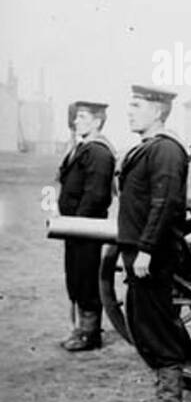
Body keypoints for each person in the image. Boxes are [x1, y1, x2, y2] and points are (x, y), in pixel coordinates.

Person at [118, 85, 191, 402]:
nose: (129, 111)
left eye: (137, 106)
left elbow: (165, 203)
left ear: (158, 111)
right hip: (137, 249)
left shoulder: (165, 149)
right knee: (144, 326)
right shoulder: (149, 148)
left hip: (153, 253)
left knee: (157, 329)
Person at [56, 100, 116, 352]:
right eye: (76, 116)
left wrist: (77, 222)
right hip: (75, 227)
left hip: (85, 227)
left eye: (82, 117)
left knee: (86, 278)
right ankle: (81, 330)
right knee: (76, 277)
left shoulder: (98, 151)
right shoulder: (82, 148)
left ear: (97, 121)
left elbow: (96, 195)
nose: (76, 121)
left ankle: (90, 335)